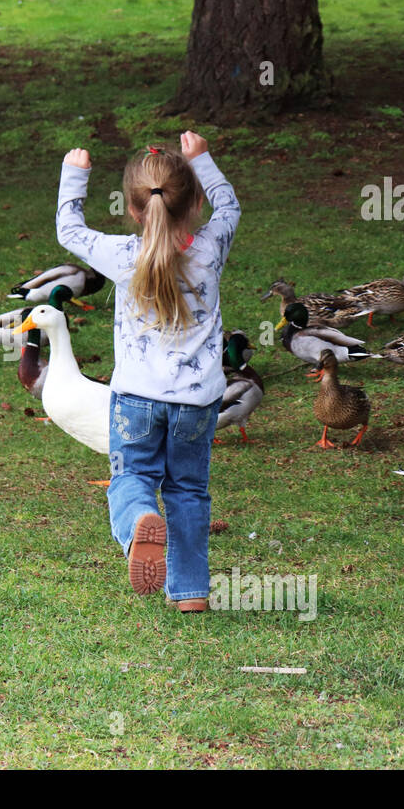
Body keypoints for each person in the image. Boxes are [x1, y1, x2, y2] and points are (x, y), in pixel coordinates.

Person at [55, 132, 240, 612]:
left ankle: (139, 518)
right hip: (197, 404)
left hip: (136, 400)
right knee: (188, 492)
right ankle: (192, 592)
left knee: (132, 475)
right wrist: (201, 159)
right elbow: (230, 207)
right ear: (194, 201)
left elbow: (69, 233)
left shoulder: (123, 257)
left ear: (136, 210)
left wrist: (75, 174)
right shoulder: (212, 248)